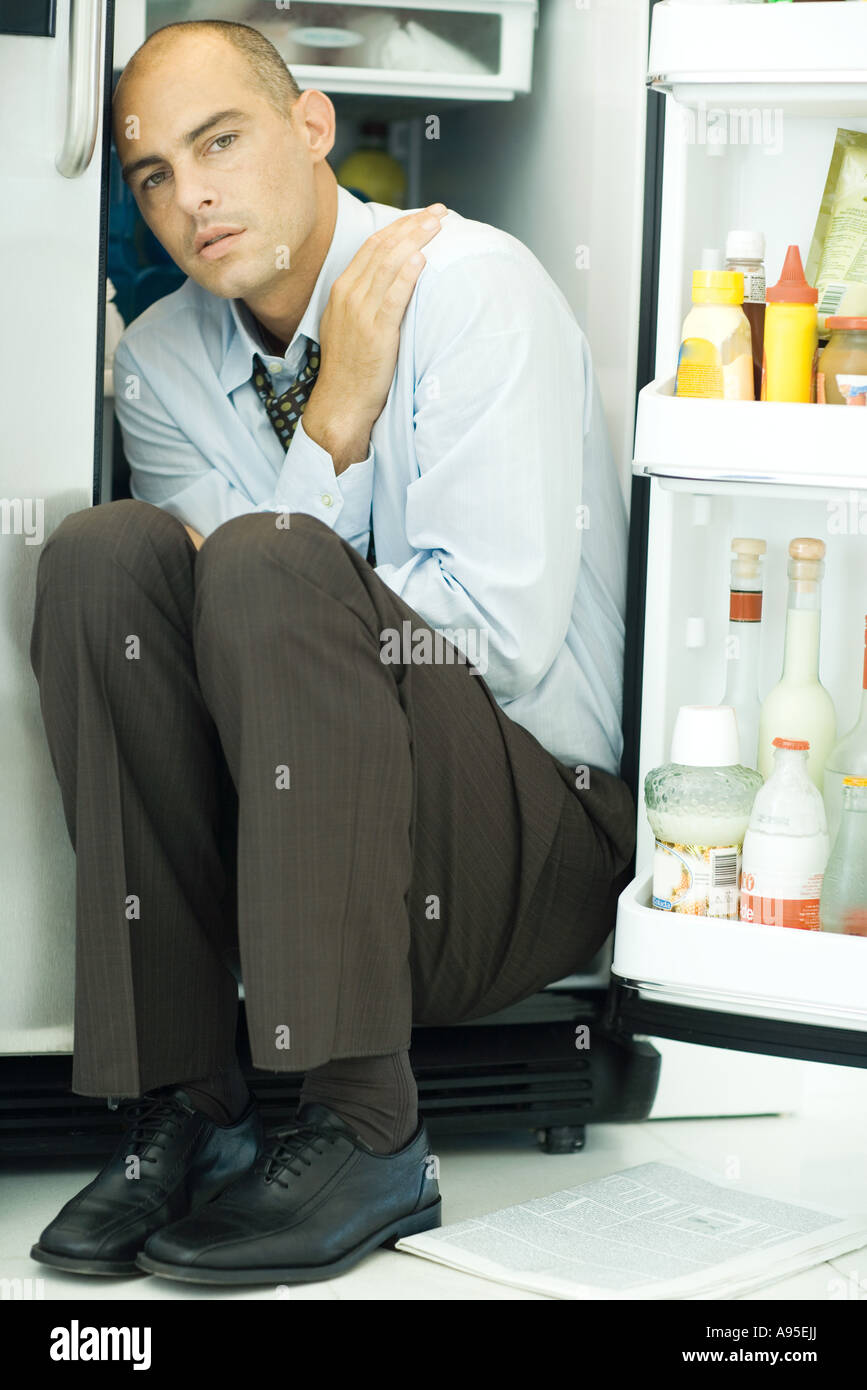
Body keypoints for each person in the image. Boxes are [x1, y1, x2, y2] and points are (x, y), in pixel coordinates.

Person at [28, 19, 635, 1287]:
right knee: (101, 558)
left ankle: (368, 1123)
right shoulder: (162, 361)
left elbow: (498, 643)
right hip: (297, 858)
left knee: (262, 559)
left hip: (520, 847)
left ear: (312, 127)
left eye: (220, 142)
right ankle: (189, 1106)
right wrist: (335, 421)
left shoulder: (472, 289)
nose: (192, 198)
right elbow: (212, 651)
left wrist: (327, 442)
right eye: (154, 174)